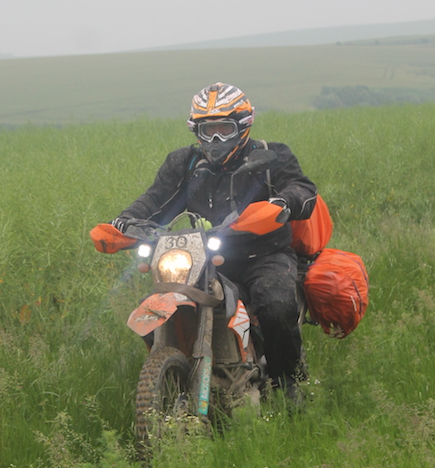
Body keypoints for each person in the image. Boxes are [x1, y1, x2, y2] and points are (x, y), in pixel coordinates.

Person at [111, 82, 317, 404]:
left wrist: (283, 204)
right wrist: (123, 223)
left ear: (243, 127)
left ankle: (287, 382)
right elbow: (154, 200)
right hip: (201, 257)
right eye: (209, 130)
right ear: (197, 131)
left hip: (264, 254)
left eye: (224, 129)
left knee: (275, 304)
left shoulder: (271, 157)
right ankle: (175, 370)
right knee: (161, 296)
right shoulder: (184, 164)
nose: (216, 139)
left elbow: (303, 189)